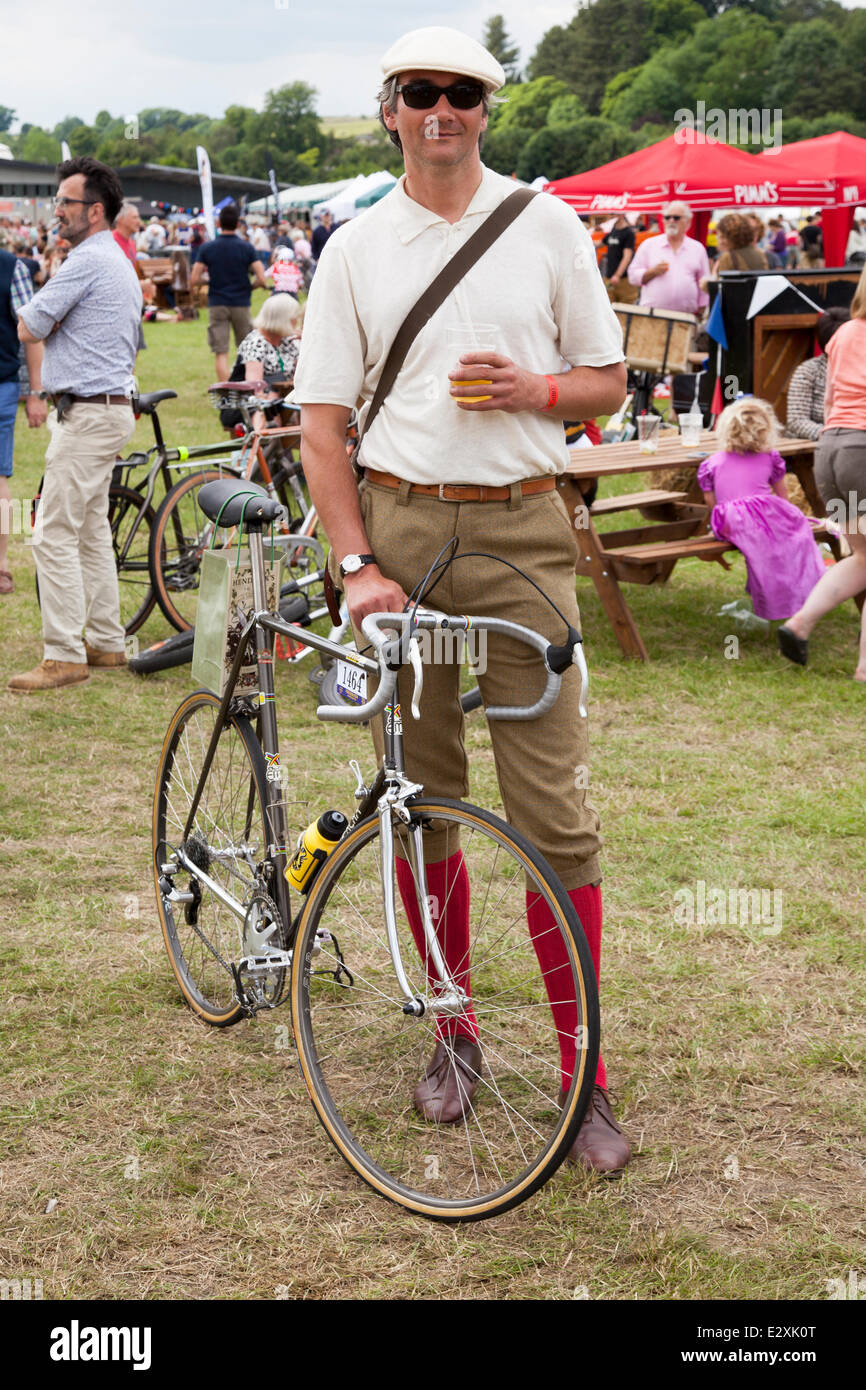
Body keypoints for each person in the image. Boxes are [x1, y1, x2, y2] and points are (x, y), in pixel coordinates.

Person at [294, 24, 632, 1174]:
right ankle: (454, 1035)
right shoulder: (352, 246)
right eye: (421, 92)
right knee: (421, 794)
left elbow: (605, 378)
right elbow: (323, 428)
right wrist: (355, 566)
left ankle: (582, 1071)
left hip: (523, 526)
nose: (443, 109)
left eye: (464, 93)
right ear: (391, 107)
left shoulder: (546, 224)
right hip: (399, 530)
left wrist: (540, 387)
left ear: (486, 108)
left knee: (555, 817)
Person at [9, 156, 141, 693]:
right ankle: (106, 642)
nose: (55, 210)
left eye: (64, 201)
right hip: (103, 408)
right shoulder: (111, 258)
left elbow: (28, 324)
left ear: (94, 210)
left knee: (52, 534)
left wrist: (52, 316)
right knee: (90, 530)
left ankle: (64, 654)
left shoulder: (88, 259)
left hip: (89, 411)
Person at [779, 266, 866, 678]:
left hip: (830, 451)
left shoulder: (845, 333)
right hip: (862, 449)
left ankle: (800, 624)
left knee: (864, 557)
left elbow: (832, 401)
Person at [697, 397, 825, 620]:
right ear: (766, 429)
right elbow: (783, 495)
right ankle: (802, 592)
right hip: (764, 514)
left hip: (729, 519)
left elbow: (712, 503)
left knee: (761, 542)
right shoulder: (770, 457)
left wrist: (721, 523)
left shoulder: (711, 462)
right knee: (792, 540)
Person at [0, 245, 46, 595]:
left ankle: (1, 565)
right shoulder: (13, 267)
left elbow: (31, 332)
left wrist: (35, 391)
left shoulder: (13, 266)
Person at [189, 204, 268, 383]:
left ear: (219, 223)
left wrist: (209, 281)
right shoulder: (247, 248)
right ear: (238, 224)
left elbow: (194, 278)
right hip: (241, 302)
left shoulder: (207, 248)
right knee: (247, 351)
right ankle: (246, 391)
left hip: (217, 302)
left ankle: (226, 396)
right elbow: (262, 278)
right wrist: (251, 287)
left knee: (221, 352)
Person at [219, 292, 302, 431]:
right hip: (245, 403)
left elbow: (301, 376)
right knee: (270, 408)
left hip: (280, 399)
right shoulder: (255, 342)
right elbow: (255, 387)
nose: (296, 321)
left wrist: (307, 342)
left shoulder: (288, 342)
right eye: (294, 317)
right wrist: (275, 398)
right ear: (282, 319)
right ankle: (266, 448)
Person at [627, 200, 709, 315]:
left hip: (686, 317)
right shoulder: (649, 245)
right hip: (653, 316)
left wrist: (702, 308)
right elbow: (632, 277)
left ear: (688, 222)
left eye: (676, 218)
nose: (671, 221)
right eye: (667, 217)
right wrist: (652, 272)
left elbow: (704, 281)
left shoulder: (697, 248)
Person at [785, 308, 849, 442]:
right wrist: (831, 435)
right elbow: (797, 421)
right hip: (820, 444)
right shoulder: (808, 371)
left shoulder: (860, 368)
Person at [602, 213, 638, 304]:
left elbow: (627, 256)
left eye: (613, 214)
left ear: (621, 215)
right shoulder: (613, 230)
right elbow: (600, 243)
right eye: (610, 214)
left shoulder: (628, 233)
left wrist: (617, 275)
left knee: (624, 311)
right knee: (609, 308)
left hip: (624, 279)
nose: (611, 216)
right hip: (610, 278)